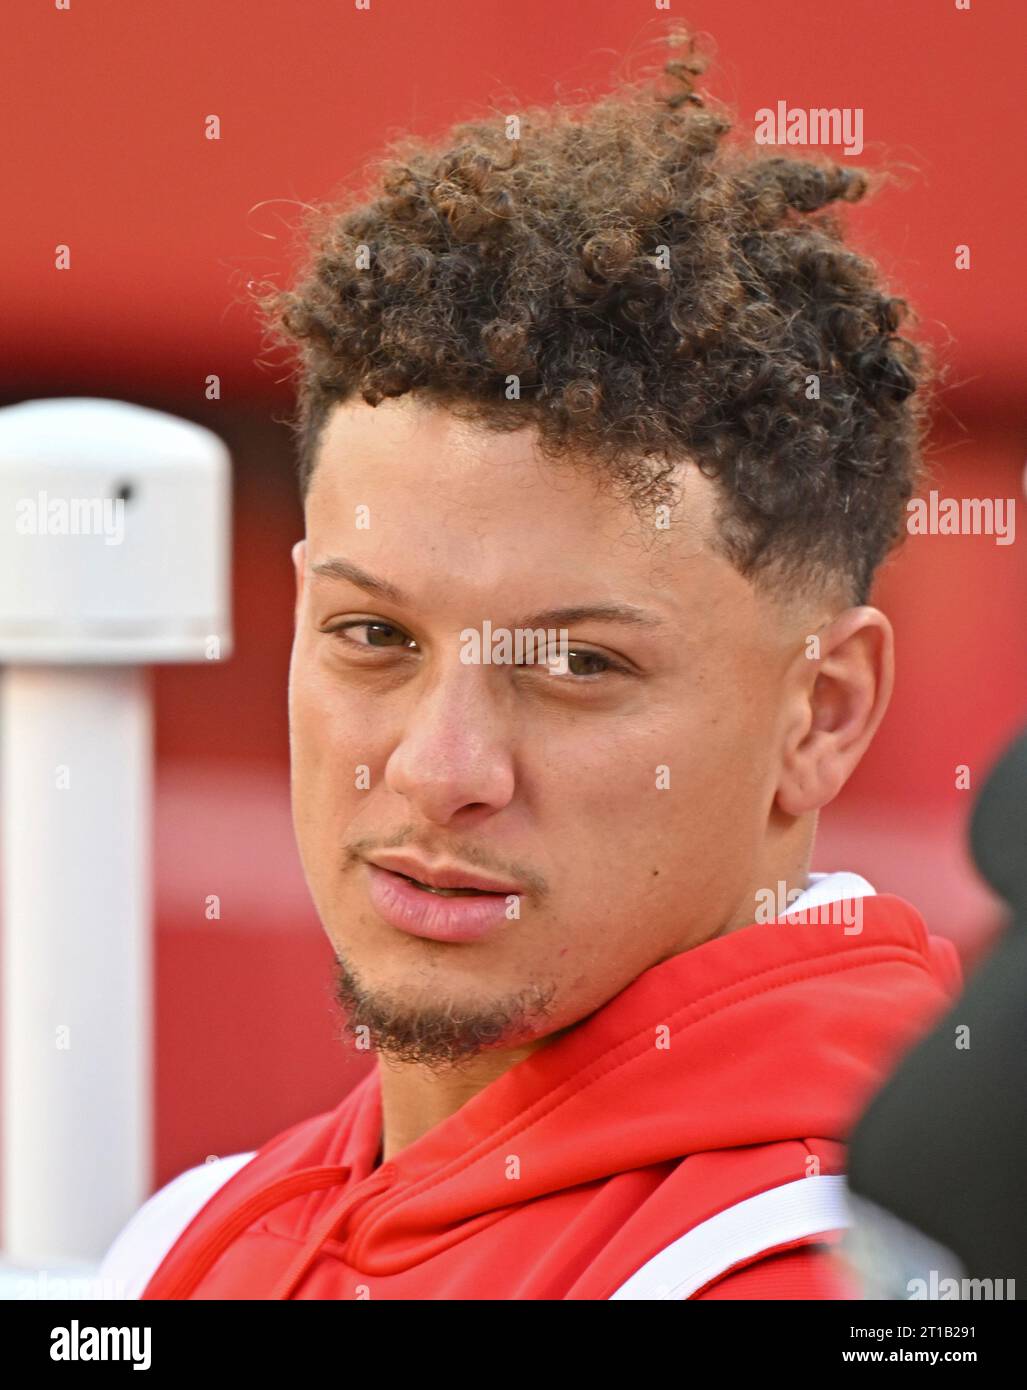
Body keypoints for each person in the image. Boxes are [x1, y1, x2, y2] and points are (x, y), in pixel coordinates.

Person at [99, 26, 962, 1299]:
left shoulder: (826, 1272)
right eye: (375, 637)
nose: (439, 768)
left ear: (821, 712)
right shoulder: (188, 1238)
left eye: (574, 663)